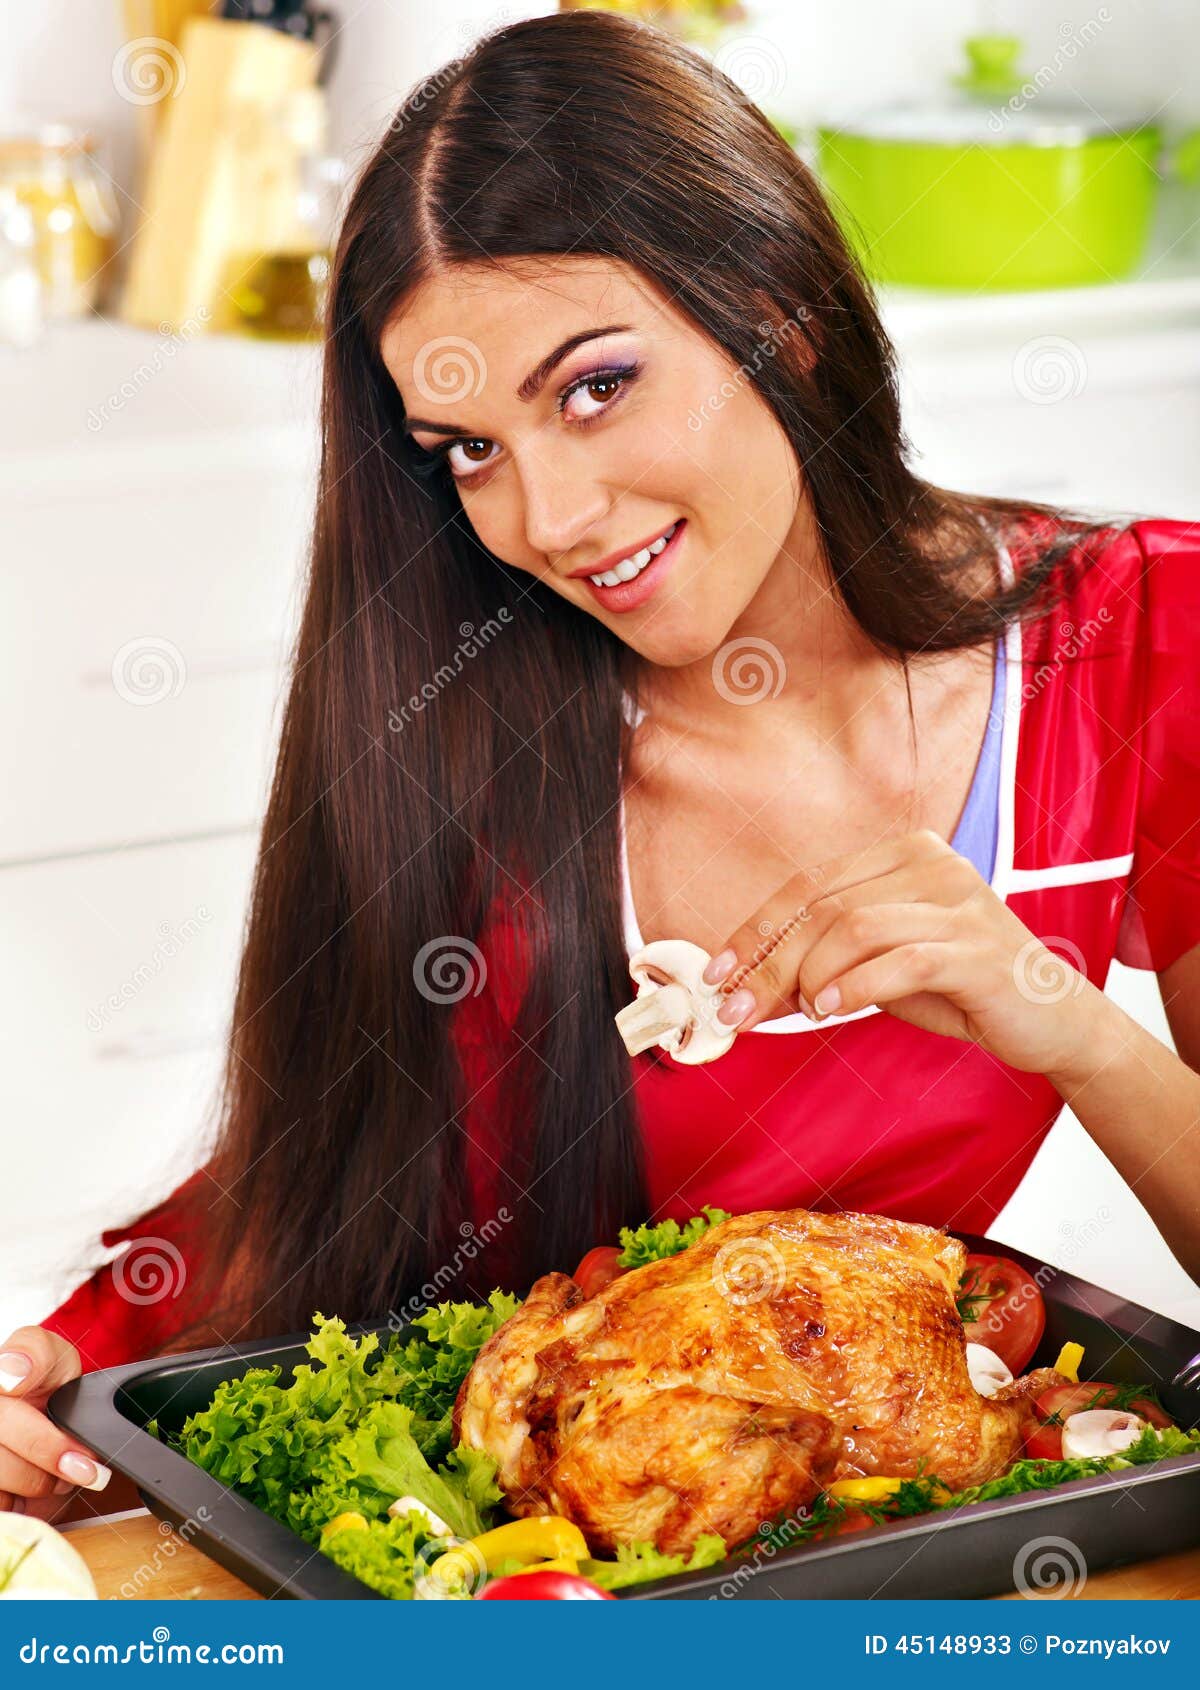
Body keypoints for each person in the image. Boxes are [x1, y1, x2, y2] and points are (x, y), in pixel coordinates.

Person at [3, 9, 1198, 1522]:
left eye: (593, 386)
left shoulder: (1148, 640)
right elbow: (336, 1170)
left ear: (781, 315)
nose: (552, 518)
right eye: (468, 449)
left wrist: (1062, 1019)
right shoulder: (486, 740)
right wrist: (70, 1362)